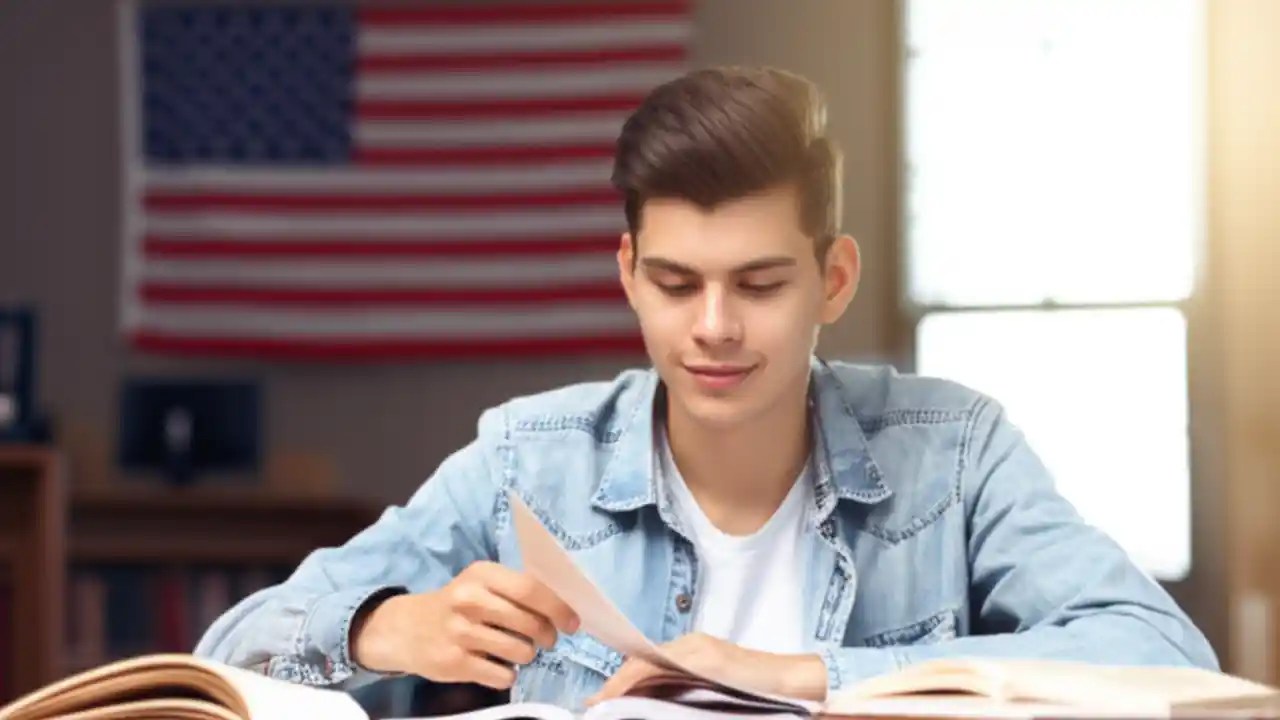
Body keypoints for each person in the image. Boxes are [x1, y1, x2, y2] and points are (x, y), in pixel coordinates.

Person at [194, 66, 1217, 710]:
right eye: (676, 283)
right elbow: (227, 649)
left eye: (759, 284)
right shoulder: (525, 457)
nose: (714, 327)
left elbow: (1160, 652)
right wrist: (382, 628)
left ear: (833, 278)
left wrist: (803, 677)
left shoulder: (953, 451)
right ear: (627, 273)